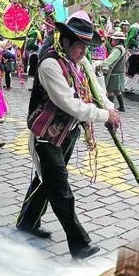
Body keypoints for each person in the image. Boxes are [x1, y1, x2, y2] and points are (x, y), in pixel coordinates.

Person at [15, 14, 120, 260]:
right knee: (61, 189)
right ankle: (79, 244)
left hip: (68, 133)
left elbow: (95, 89)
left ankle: (27, 222)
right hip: (45, 137)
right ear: (65, 41)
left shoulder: (79, 63)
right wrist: (104, 115)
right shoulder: (50, 65)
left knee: (46, 182)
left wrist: (109, 108)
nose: (83, 51)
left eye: (86, 46)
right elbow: (71, 104)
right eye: (79, 45)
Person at [97, 30, 127, 112]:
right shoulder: (122, 47)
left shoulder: (118, 49)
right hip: (119, 72)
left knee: (110, 91)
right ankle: (122, 107)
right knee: (117, 90)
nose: (111, 41)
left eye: (113, 39)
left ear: (117, 40)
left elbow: (110, 60)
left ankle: (111, 108)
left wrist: (100, 66)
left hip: (114, 73)